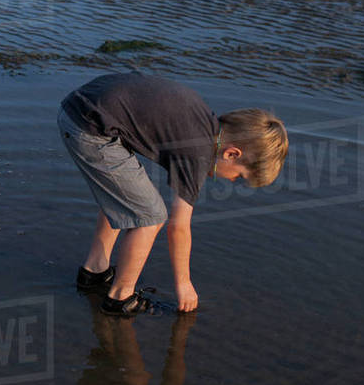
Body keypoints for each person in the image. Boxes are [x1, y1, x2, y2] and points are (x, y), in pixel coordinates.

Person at [58, 73, 288, 315]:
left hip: (84, 107)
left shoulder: (203, 122)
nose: (232, 180)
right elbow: (178, 227)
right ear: (232, 154)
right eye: (239, 176)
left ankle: (95, 271)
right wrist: (184, 283)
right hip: (89, 127)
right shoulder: (198, 153)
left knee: (127, 197)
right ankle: (120, 298)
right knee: (151, 216)